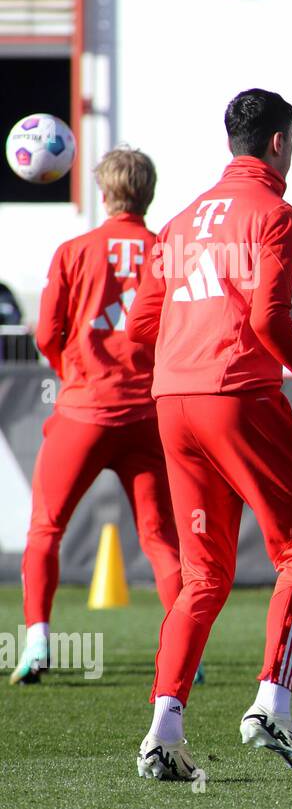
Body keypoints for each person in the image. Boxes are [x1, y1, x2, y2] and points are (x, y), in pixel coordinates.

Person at [127, 89, 292, 783]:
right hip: (237, 395)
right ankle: (272, 702)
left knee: (202, 576)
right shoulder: (277, 214)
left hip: (173, 400)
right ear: (277, 144)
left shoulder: (177, 223)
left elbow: (144, 323)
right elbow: (268, 321)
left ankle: (163, 730)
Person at [11, 147, 182, 686]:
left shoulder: (75, 249)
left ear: (104, 193)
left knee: (46, 529)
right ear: (148, 193)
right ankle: (185, 650)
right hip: (148, 414)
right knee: (159, 539)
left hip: (84, 408)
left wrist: (71, 374)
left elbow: (45, 333)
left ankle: (37, 640)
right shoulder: (168, 252)